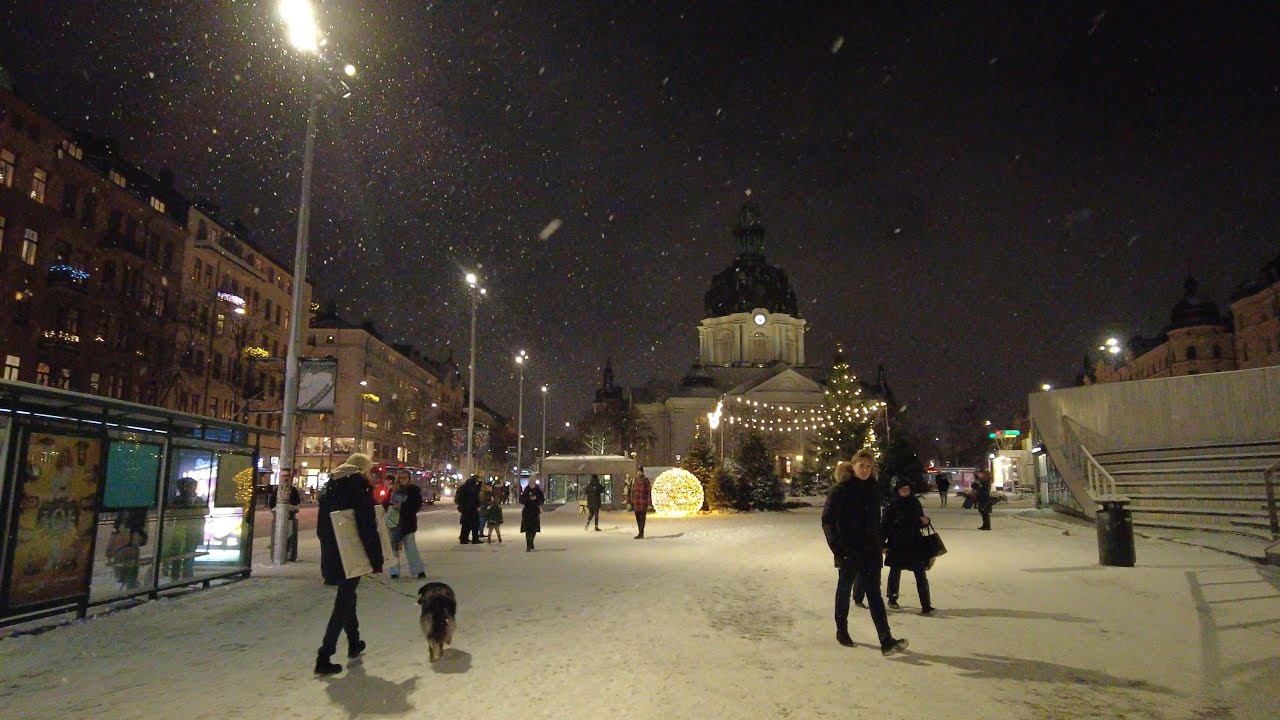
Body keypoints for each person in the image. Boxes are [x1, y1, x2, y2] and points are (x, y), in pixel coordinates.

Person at [821, 450, 908, 656]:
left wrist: (881, 543)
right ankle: (842, 630)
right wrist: (838, 549)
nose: (865, 470)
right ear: (853, 467)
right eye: (861, 466)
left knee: (875, 595)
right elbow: (828, 521)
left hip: (871, 552)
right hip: (849, 551)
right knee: (844, 590)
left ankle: (886, 639)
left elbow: (876, 523)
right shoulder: (840, 490)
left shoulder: (873, 490)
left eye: (869, 466)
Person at [314, 452, 384, 675]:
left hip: (333, 551)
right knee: (343, 601)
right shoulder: (359, 487)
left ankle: (354, 642)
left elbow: (321, 527)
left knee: (347, 596)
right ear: (363, 469)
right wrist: (376, 558)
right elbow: (366, 526)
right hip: (351, 552)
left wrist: (329, 550)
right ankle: (324, 654)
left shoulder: (330, 486)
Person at [882, 478, 935, 614]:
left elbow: (920, 521)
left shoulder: (914, 502)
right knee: (895, 572)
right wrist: (883, 544)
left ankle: (926, 604)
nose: (905, 491)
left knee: (920, 574)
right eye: (902, 489)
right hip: (897, 544)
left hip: (915, 543)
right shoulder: (892, 505)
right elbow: (885, 525)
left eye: (907, 489)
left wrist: (926, 521)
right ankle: (892, 598)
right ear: (898, 490)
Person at [388, 479, 426, 579]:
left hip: (408, 522)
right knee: (394, 548)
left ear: (409, 479)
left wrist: (403, 506)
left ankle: (418, 570)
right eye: (400, 477)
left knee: (411, 547)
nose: (402, 480)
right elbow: (387, 504)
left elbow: (416, 506)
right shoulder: (395, 491)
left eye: (404, 477)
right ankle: (394, 571)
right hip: (395, 522)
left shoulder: (413, 491)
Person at [455, 475, 483, 544]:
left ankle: (463, 538)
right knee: (475, 524)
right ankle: (475, 539)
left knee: (465, 525)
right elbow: (475, 498)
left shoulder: (463, 488)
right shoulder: (472, 489)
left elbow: (457, 499)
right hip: (472, 509)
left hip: (465, 509)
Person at [519, 481, 545, 551]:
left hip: (535, 512)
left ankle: (530, 543)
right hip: (527, 512)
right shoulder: (526, 490)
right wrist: (529, 499)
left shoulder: (538, 491)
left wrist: (536, 499)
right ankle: (529, 545)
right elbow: (521, 500)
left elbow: (542, 500)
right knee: (528, 529)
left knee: (533, 529)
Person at [630, 467, 652, 540]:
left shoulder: (646, 481)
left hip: (643, 502)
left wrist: (649, 503)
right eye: (638, 472)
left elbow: (649, 492)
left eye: (640, 472)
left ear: (643, 472)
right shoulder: (635, 481)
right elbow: (632, 492)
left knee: (642, 518)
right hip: (636, 503)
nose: (639, 473)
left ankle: (641, 533)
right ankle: (640, 532)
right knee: (638, 519)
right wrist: (630, 501)